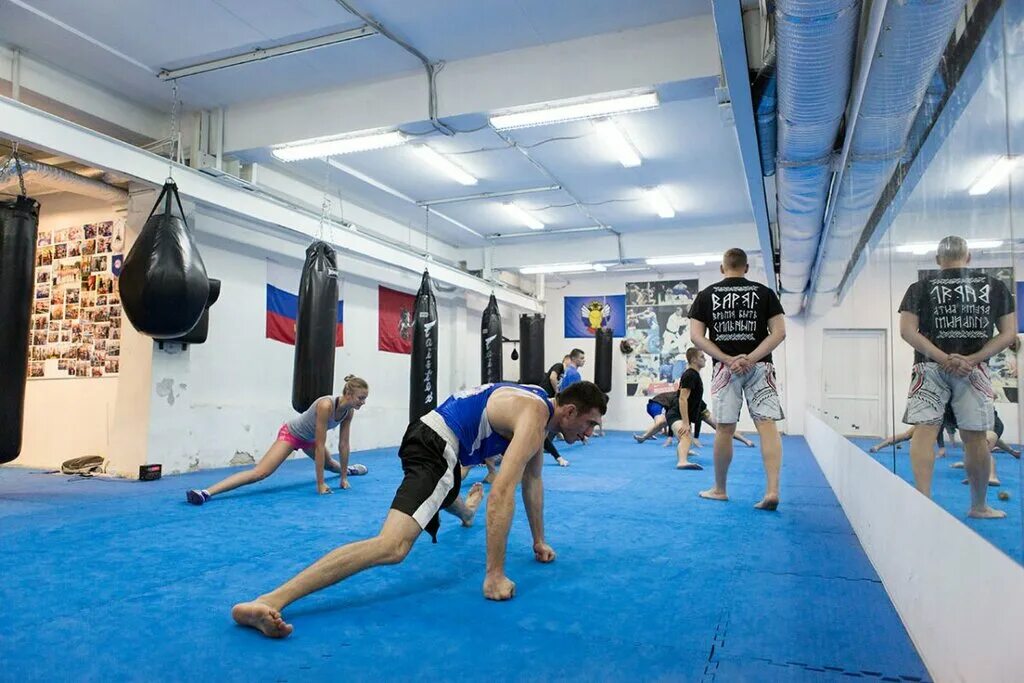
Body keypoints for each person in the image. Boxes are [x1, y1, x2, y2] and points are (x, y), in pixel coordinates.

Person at [231, 381, 608, 638]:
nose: (589, 433)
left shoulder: (538, 404)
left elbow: (533, 479)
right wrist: (494, 574)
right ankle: (267, 601)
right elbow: (504, 491)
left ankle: (464, 510)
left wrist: (539, 540)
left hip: (432, 439)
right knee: (392, 547)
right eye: (589, 423)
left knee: (448, 493)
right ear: (570, 412)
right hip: (437, 447)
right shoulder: (535, 414)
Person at [898, 235, 1015, 518]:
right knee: (975, 437)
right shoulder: (995, 286)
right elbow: (1009, 334)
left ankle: (923, 501)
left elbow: (907, 331)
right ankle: (978, 506)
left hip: (929, 367)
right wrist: (972, 359)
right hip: (974, 369)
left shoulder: (920, 287)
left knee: (925, 433)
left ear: (938, 260)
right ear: (969, 257)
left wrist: (942, 358)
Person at [689, 248, 786, 510]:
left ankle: (720, 489)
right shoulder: (764, 293)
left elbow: (696, 337)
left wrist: (728, 358)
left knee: (725, 428)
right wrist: (752, 358)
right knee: (767, 426)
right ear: (745, 268)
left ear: (723, 269)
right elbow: (779, 333)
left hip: (725, 369)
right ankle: (772, 490)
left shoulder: (706, 295)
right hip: (761, 367)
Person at [186, 376, 370, 504]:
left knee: (330, 465)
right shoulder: (325, 405)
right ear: (348, 394)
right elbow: (320, 446)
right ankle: (206, 493)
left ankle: (349, 471)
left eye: (365, 398)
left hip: (310, 439)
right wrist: (320, 484)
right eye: (361, 398)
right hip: (292, 434)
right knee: (260, 473)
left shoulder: (348, 412)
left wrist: (343, 478)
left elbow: (344, 444)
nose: (363, 402)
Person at [664, 348, 706, 470]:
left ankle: (685, 451)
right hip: (675, 414)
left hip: (680, 414)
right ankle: (682, 461)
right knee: (686, 435)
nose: (705, 359)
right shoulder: (690, 374)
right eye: (702, 357)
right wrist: (686, 423)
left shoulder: (694, 374)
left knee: (687, 439)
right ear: (693, 359)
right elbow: (683, 399)